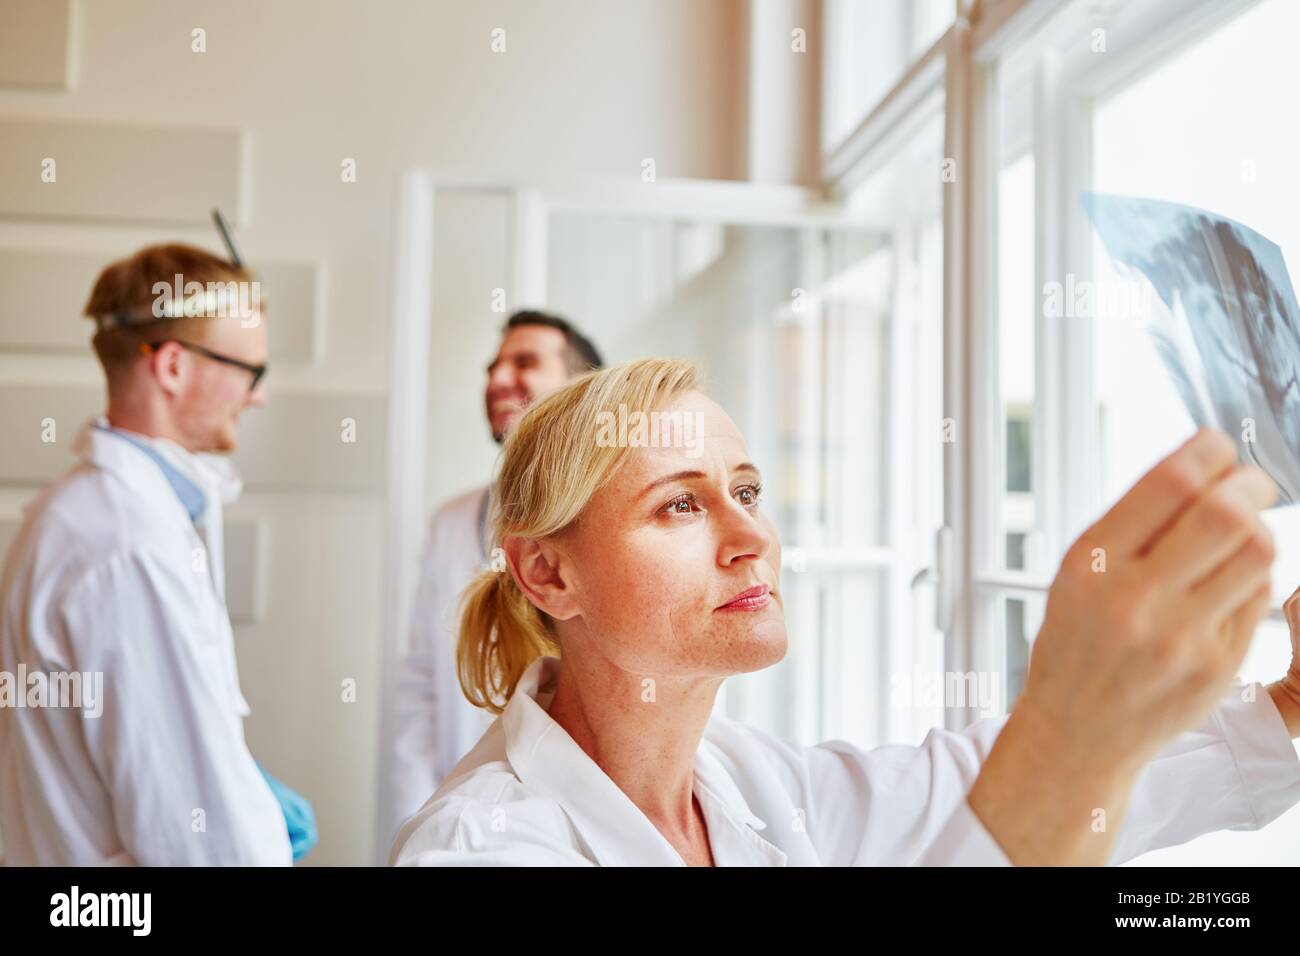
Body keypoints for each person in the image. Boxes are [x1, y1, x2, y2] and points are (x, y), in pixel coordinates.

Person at [390, 357, 1300, 866]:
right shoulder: (482, 852)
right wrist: (1071, 726)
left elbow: (970, 784)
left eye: (746, 490)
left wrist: (1287, 706)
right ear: (549, 575)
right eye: (679, 504)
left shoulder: (749, 785)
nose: (750, 536)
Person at [0, 243, 314, 865]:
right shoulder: (130, 548)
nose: (259, 397)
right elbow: (193, 841)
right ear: (172, 366)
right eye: (252, 372)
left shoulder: (80, 512)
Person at [383, 311, 603, 847]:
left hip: (580, 823)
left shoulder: (610, 522)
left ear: (580, 388)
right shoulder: (453, 523)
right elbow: (420, 686)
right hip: (460, 819)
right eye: (493, 367)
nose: (497, 380)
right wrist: (417, 815)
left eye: (524, 362)